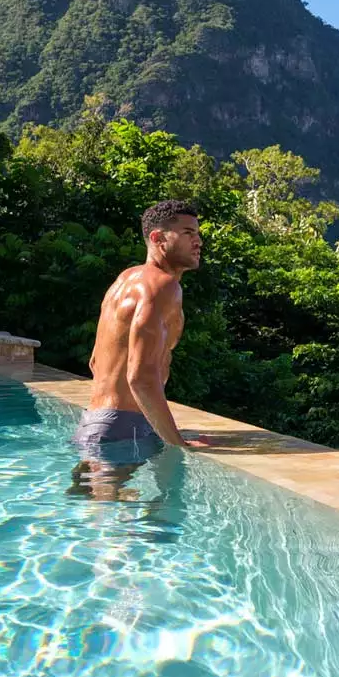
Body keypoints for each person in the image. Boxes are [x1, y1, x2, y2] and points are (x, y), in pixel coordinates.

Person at [69, 199, 210, 499]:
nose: (198, 241)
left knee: (95, 523)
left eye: (198, 233)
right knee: (121, 533)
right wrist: (176, 443)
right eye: (187, 233)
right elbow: (141, 378)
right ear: (158, 238)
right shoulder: (163, 286)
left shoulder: (124, 280)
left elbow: (95, 362)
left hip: (96, 424)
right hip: (122, 428)